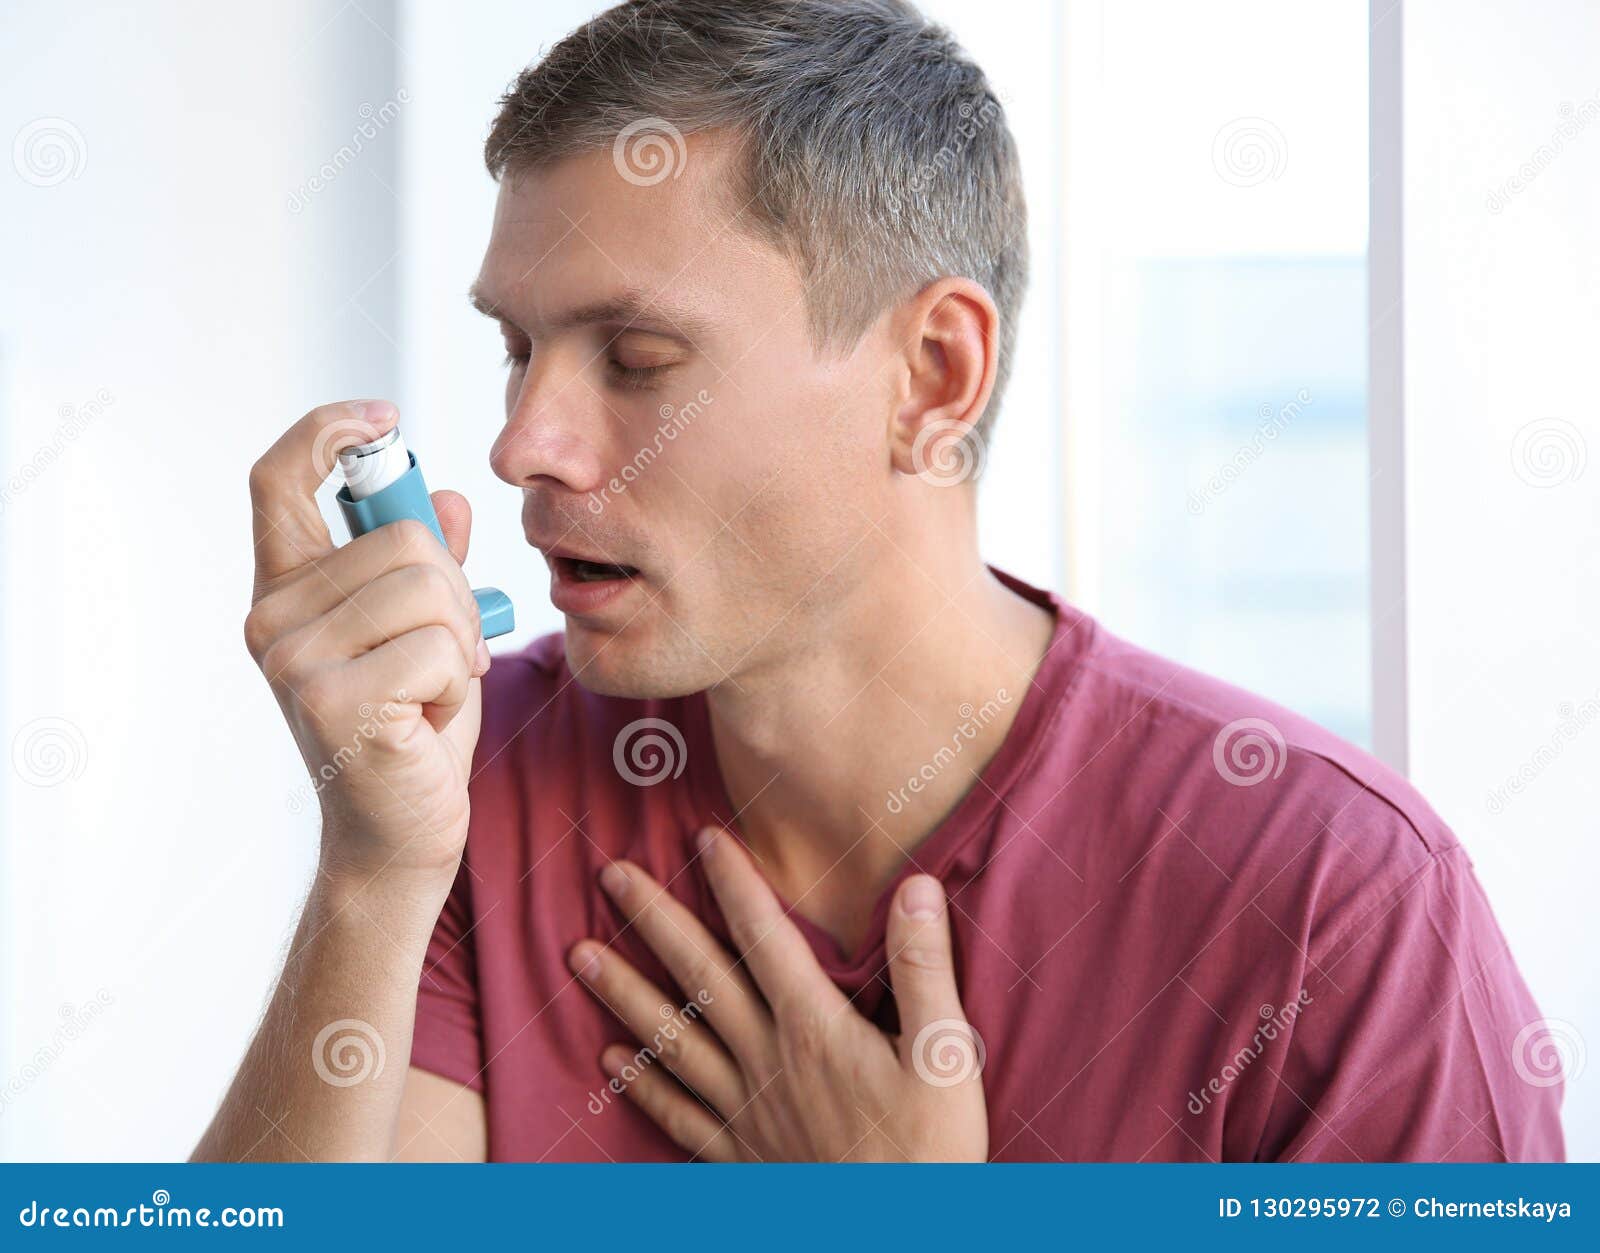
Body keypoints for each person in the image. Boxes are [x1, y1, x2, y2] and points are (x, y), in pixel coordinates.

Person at [196, 0, 1563, 1162]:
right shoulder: (474, 786)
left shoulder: (1341, 906)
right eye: (518, 348)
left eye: (636, 357)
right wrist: (375, 870)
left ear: (933, 379)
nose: (522, 444)